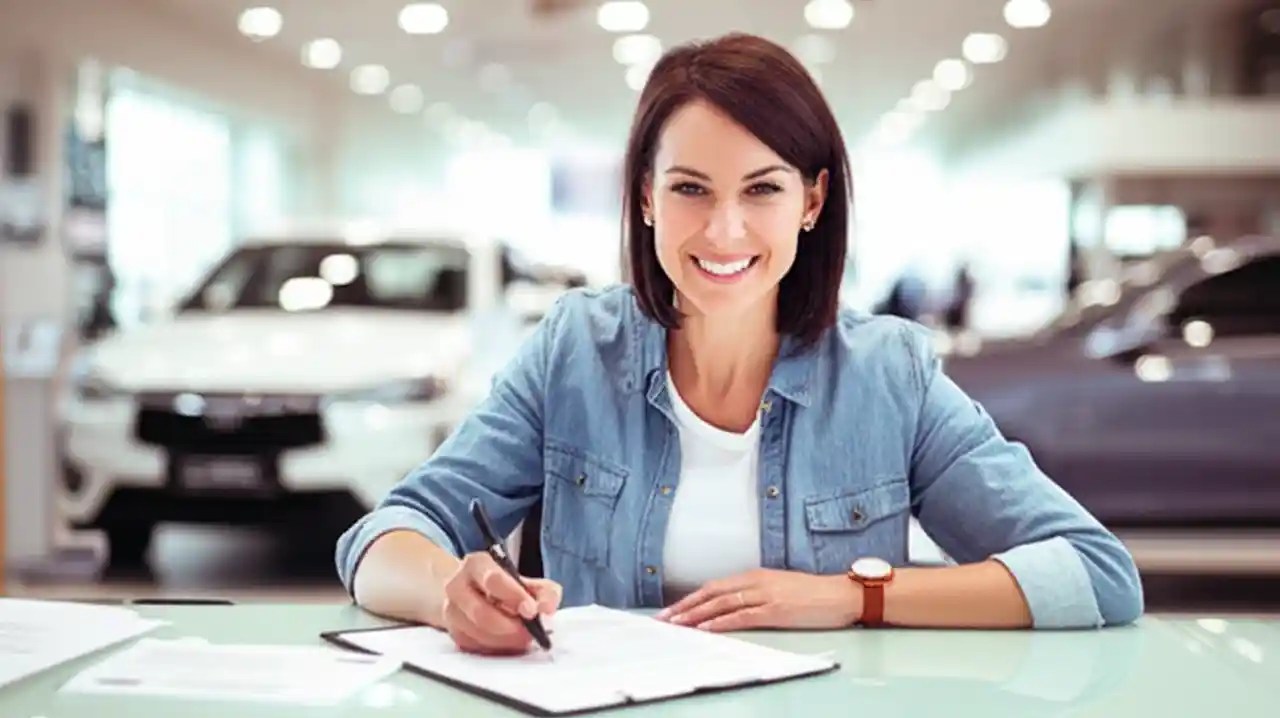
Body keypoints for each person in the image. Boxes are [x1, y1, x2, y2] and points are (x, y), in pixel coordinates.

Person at [335, 33, 1143, 655]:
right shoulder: (574, 349)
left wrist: (852, 598)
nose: (724, 231)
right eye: (691, 188)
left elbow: (1094, 573)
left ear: (812, 202)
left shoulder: (888, 374)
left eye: (762, 189)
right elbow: (385, 535)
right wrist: (452, 593)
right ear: (646, 197)